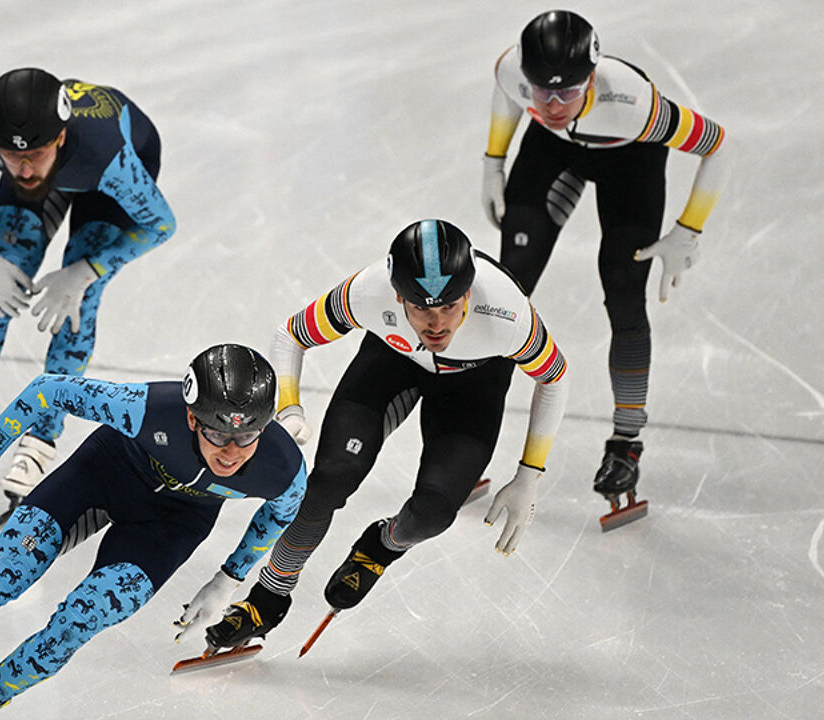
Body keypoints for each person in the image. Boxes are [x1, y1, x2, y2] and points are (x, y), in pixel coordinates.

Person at [0, 345, 305, 719]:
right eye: (218, 432)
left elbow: (277, 516)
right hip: (103, 476)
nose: (232, 450)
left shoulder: (283, 468)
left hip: (171, 523)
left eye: (247, 436)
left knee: (79, 623)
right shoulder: (149, 408)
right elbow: (48, 390)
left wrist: (227, 579)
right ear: (192, 418)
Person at [191, 219, 568, 650]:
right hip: (392, 364)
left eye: (449, 307)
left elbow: (554, 379)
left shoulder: (507, 312)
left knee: (432, 514)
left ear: (469, 293)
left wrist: (529, 475)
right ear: (396, 295)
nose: (437, 324)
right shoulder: (367, 291)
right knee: (327, 481)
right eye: (421, 308)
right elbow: (291, 335)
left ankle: (380, 548)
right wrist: (289, 408)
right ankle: (268, 598)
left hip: (474, 388)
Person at [479, 9, 729, 510]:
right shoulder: (513, 71)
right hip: (552, 154)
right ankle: (469, 433)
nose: (552, 104)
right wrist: (493, 162)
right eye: (541, 91)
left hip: (629, 162)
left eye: (567, 92)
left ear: (591, 77)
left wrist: (688, 229)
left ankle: (626, 444)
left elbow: (717, 145)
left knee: (623, 296)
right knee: (506, 291)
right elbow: (510, 94)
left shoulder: (636, 105)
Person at [0, 67, 176, 522]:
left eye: (34, 154)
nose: (22, 168)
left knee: (76, 305)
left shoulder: (108, 158)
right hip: (66, 169)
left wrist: (86, 271)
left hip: (107, 179)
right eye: (10, 156)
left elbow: (160, 223)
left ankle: (39, 443)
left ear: (58, 139)